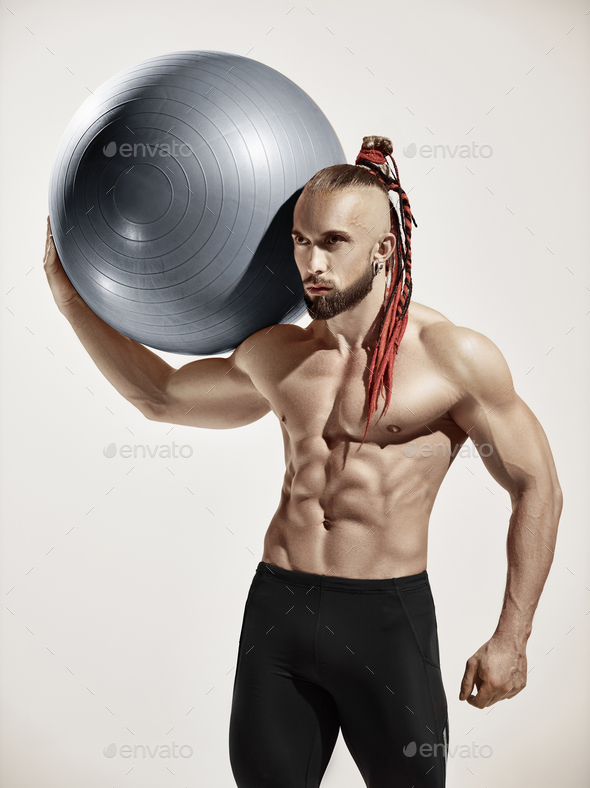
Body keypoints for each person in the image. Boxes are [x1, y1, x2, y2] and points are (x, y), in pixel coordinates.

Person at [43, 135, 562, 788]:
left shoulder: (452, 358)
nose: (311, 262)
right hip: (279, 612)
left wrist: (512, 638)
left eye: (335, 243)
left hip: (387, 623)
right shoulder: (276, 355)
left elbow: (536, 485)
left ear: (383, 249)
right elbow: (161, 396)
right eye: (301, 240)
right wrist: (68, 299)